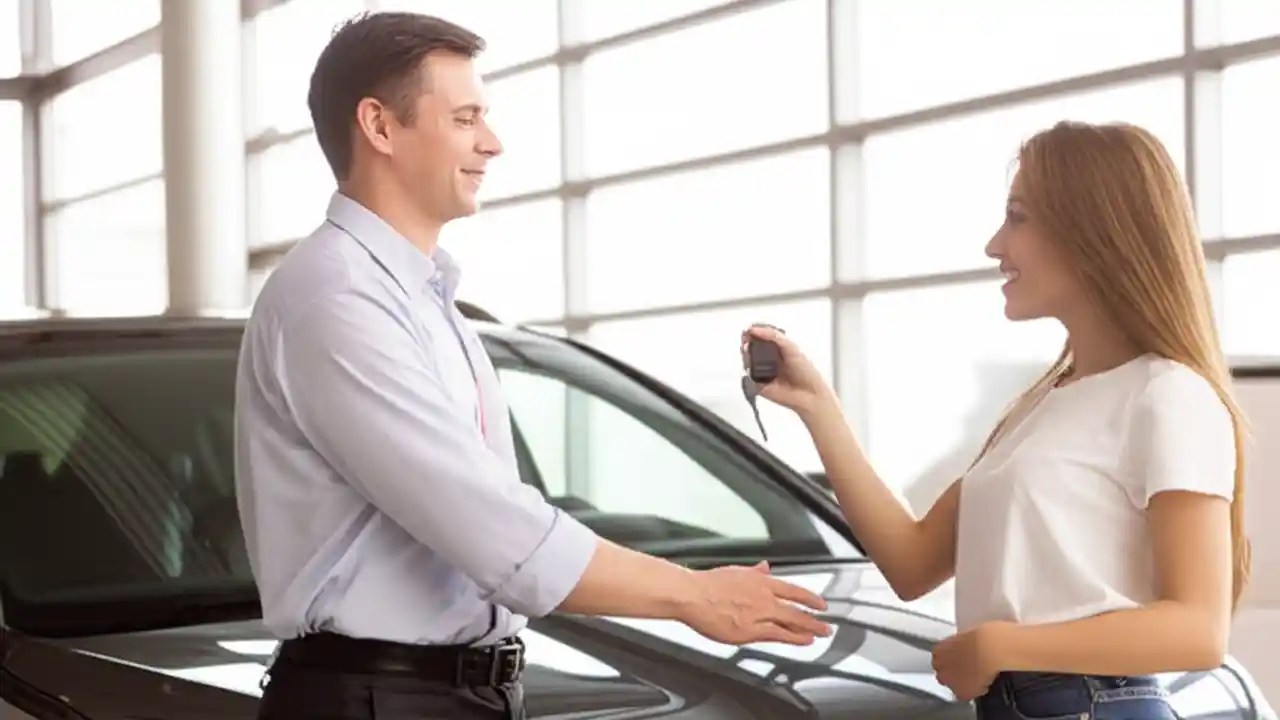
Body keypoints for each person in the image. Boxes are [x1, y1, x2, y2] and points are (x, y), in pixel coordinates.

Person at [233, 11, 830, 720]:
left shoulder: (424, 300)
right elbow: (491, 527)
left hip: (446, 692)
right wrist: (695, 594)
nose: (492, 142)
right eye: (464, 118)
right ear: (380, 126)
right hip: (377, 699)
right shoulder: (334, 299)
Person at [743, 120, 1248, 719]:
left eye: (1018, 217)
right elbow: (911, 561)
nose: (994, 245)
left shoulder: (1169, 396)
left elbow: (1198, 630)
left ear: (1094, 228)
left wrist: (1003, 645)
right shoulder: (1042, 406)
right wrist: (817, 407)